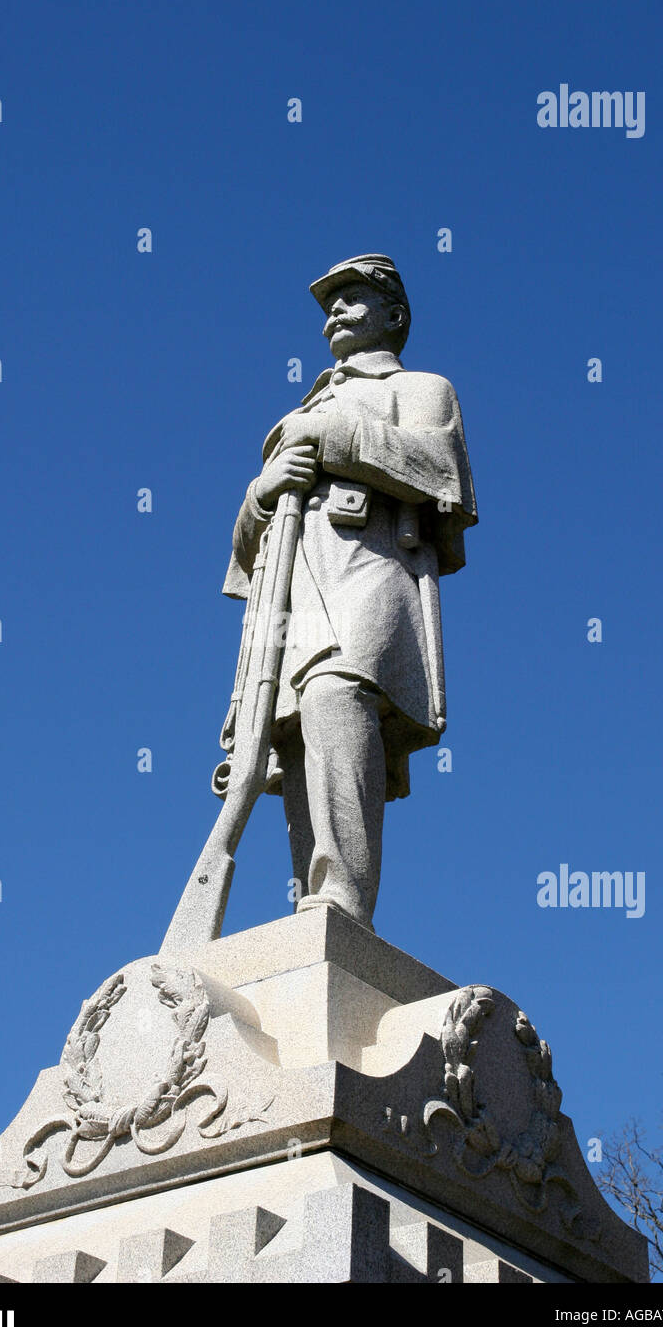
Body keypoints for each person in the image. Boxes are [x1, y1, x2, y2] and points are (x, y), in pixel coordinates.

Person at [222, 255, 477, 928]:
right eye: (329, 305)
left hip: (372, 564)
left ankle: (344, 895)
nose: (335, 312)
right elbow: (244, 555)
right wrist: (260, 492)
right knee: (293, 732)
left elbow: (445, 473)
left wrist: (337, 438)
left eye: (352, 299)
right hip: (296, 587)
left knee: (339, 697)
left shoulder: (423, 389)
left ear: (394, 315)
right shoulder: (296, 413)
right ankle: (312, 898)